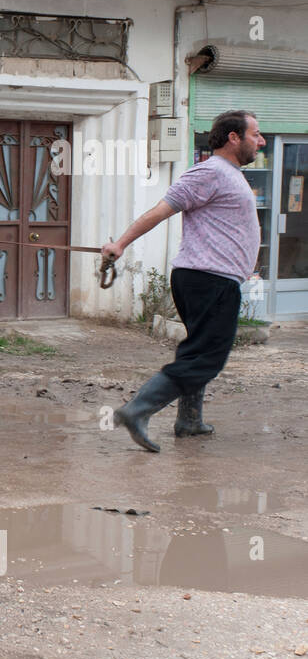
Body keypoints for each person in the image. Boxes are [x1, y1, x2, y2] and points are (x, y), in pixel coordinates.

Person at [101, 110, 264, 452]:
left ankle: (190, 420)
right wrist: (120, 244)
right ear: (233, 137)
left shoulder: (225, 174)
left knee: (198, 348)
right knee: (207, 355)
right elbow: (160, 211)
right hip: (208, 280)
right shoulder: (210, 172)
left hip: (210, 279)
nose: (261, 141)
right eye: (256, 134)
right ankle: (137, 411)